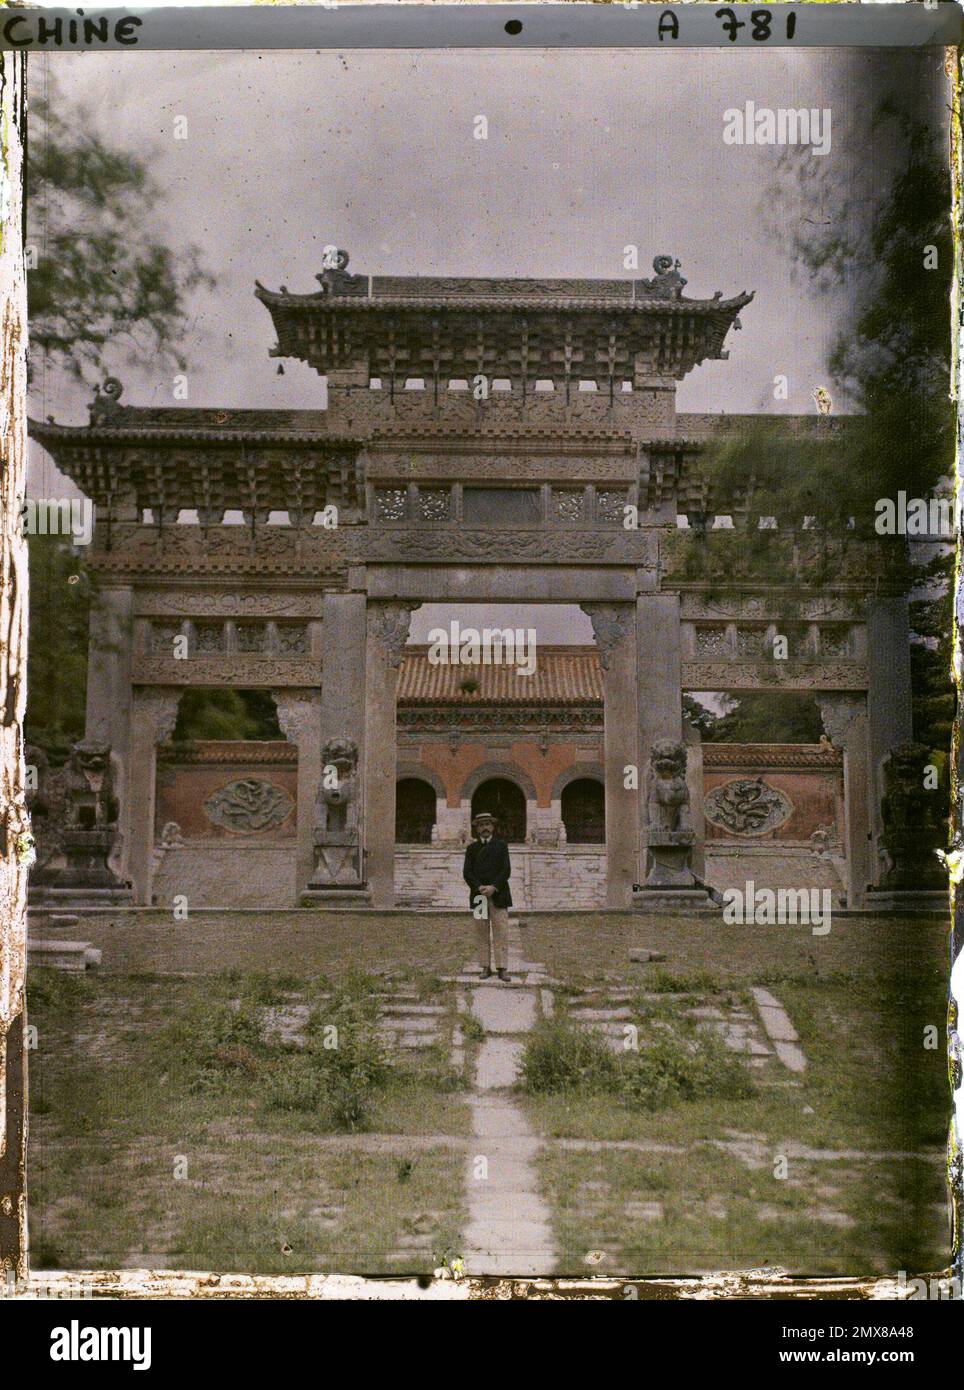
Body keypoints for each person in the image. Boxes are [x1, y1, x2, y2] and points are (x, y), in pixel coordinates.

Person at [462, 810, 512, 981]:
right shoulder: (471, 849)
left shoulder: (501, 846)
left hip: (499, 895)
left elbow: (506, 870)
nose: (485, 828)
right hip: (478, 896)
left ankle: (502, 968)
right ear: (477, 829)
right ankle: (485, 967)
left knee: (501, 932)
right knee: (481, 932)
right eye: (481, 825)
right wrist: (478, 887)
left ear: (493, 827)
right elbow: (467, 872)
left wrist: (494, 887)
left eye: (488, 824)